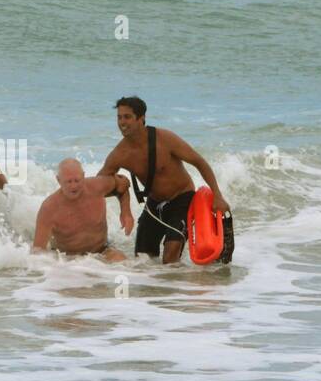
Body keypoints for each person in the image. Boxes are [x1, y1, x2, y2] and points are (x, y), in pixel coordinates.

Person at [98, 96, 231, 263]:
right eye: (119, 117)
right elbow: (98, 186)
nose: (122, 122)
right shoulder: (120, 154)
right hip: (154, 205)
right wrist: (120, 190)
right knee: (143, 260)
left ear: (141, 118)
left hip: (182, 199)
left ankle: (177, 287)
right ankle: (158, 287)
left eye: (127, 117)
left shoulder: (165, 139)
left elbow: (199, 162)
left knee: (170, 257)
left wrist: (218, 196)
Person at [32, 158, 132, 261]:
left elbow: (123, 184)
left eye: (77, 180)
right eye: (69, 182)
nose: (73, 186)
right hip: (68, 260)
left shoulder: (97, 186)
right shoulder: (49, 208)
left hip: (102, 251)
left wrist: (126, 213)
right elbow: (38, 251)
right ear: (58, 180)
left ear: (83, 176)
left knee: (123, 262)